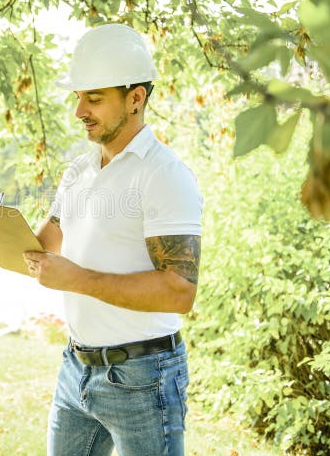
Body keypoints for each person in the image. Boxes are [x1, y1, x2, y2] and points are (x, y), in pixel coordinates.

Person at [23, 23, 203, 456]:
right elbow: (44, 245)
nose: (79, 111)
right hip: (76, 370)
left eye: (95, 99)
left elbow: (179, 292)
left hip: (145, 378)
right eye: (79, 97)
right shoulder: (79, 171)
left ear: (136, 97)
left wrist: (75, 279)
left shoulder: (163, 175)